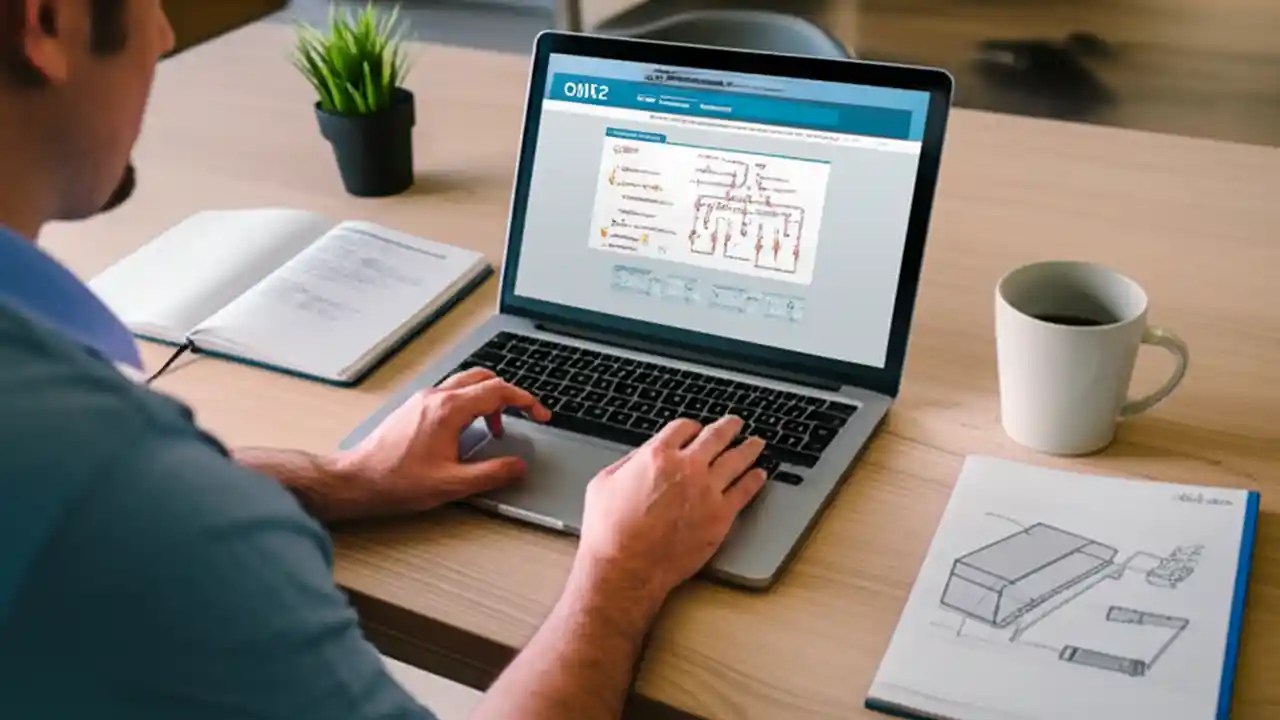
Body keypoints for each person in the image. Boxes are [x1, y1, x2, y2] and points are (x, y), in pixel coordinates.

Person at [0, 2, 767, 718]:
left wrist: (347, 479)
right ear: (48, 21)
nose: (164, 34)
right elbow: (128, 513)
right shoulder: (117, 491)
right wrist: (622, 575)